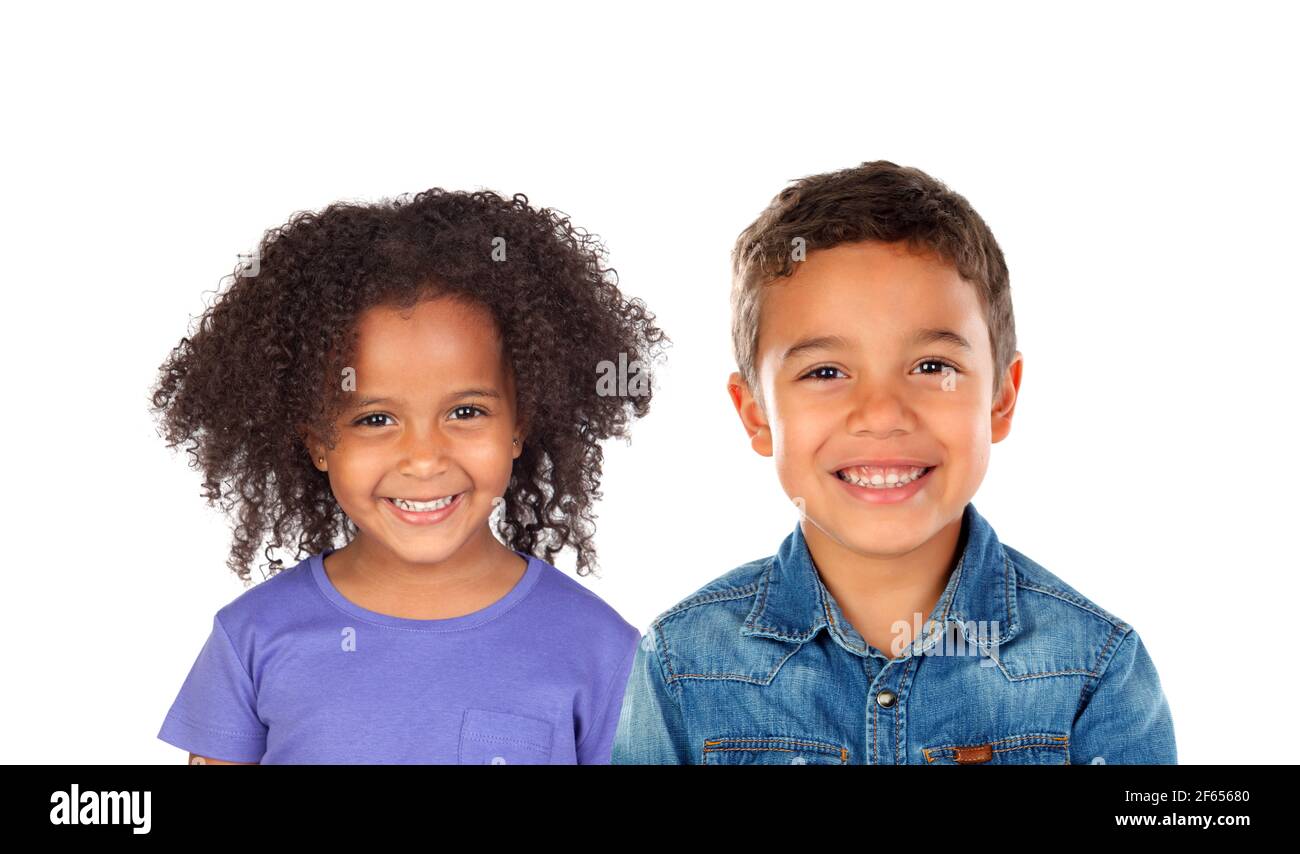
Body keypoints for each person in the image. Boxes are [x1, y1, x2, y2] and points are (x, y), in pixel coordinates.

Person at [611, 160, 1176, 765]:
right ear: (755, 415)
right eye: (825, 372)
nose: (881, 414)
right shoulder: (682, 665)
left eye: (933, 367)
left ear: (1001, 398)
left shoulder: (1094, 670)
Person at [152, 188, 668, 763]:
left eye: (465, 412)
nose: (424, 459)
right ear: (318, 440)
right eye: (376, 419)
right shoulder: (251, 640)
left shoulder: (601, 651)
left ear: (520, 423)